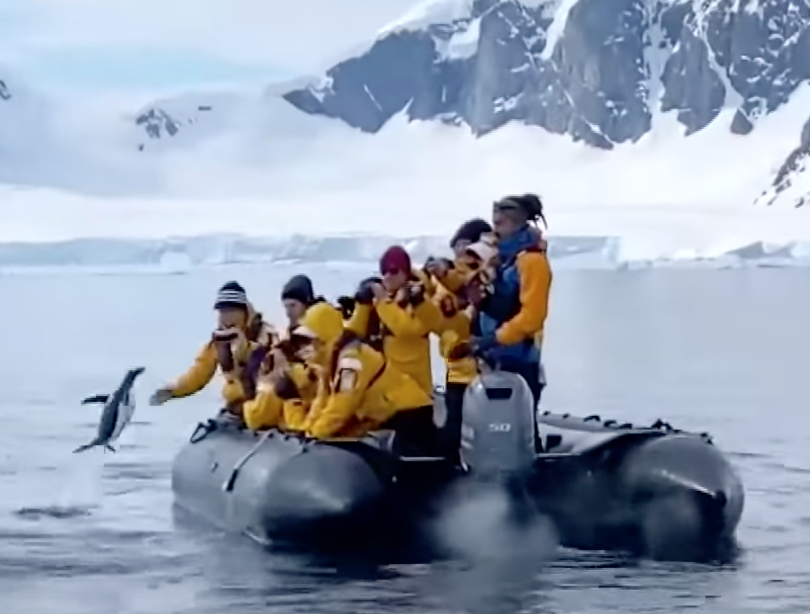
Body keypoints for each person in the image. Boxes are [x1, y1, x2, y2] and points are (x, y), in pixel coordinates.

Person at [294, 303, 436, 453]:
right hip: (383, 417)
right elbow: (323, 402)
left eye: (309, 340)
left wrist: (315, 435)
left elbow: (342, 406)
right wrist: (307, 431)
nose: (305, 346)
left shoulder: (351, 361)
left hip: (408, 414)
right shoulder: (328, 366)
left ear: (325, 335)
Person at [469, 194, 552, 409]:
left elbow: (533, 315)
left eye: (499, 223)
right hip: (495, 356)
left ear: (516, 223)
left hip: (519, 358)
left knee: (519, 420)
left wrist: (496, 338)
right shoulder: (504, 260)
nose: (494, 230)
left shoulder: (532, 261)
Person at [149, 281, 263, 419]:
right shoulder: (219, 341)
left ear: (244, 312)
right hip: (240, 405)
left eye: (231, 311)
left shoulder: (265, 334)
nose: (226, 317)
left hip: (265, 403)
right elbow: (199, 373)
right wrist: (173, 389)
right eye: (222, 311)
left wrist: (243, 348)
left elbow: (271, 365)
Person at [346, 246, 444, 396]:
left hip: (416, 390)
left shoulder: (418, 299)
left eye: (393, 271)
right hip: (388, 388)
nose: (387, 276)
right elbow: (353, 333)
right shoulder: (382, 302)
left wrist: (383, 301)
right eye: (384, 272)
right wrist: (362, 304)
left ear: (405, 272)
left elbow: (406, 328)